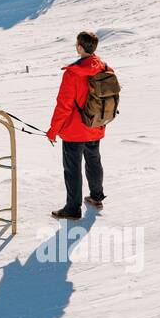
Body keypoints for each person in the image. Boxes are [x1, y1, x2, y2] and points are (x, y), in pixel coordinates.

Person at [46, 31, 107, 219]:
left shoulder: (73, 74)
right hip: (95, 125)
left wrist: (53, 130)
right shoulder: (103, 67)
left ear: (80, 47)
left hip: (74, 130)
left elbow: (64, 106)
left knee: (73, 169)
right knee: (94, 161)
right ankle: (96, 197)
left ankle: (73, 208)